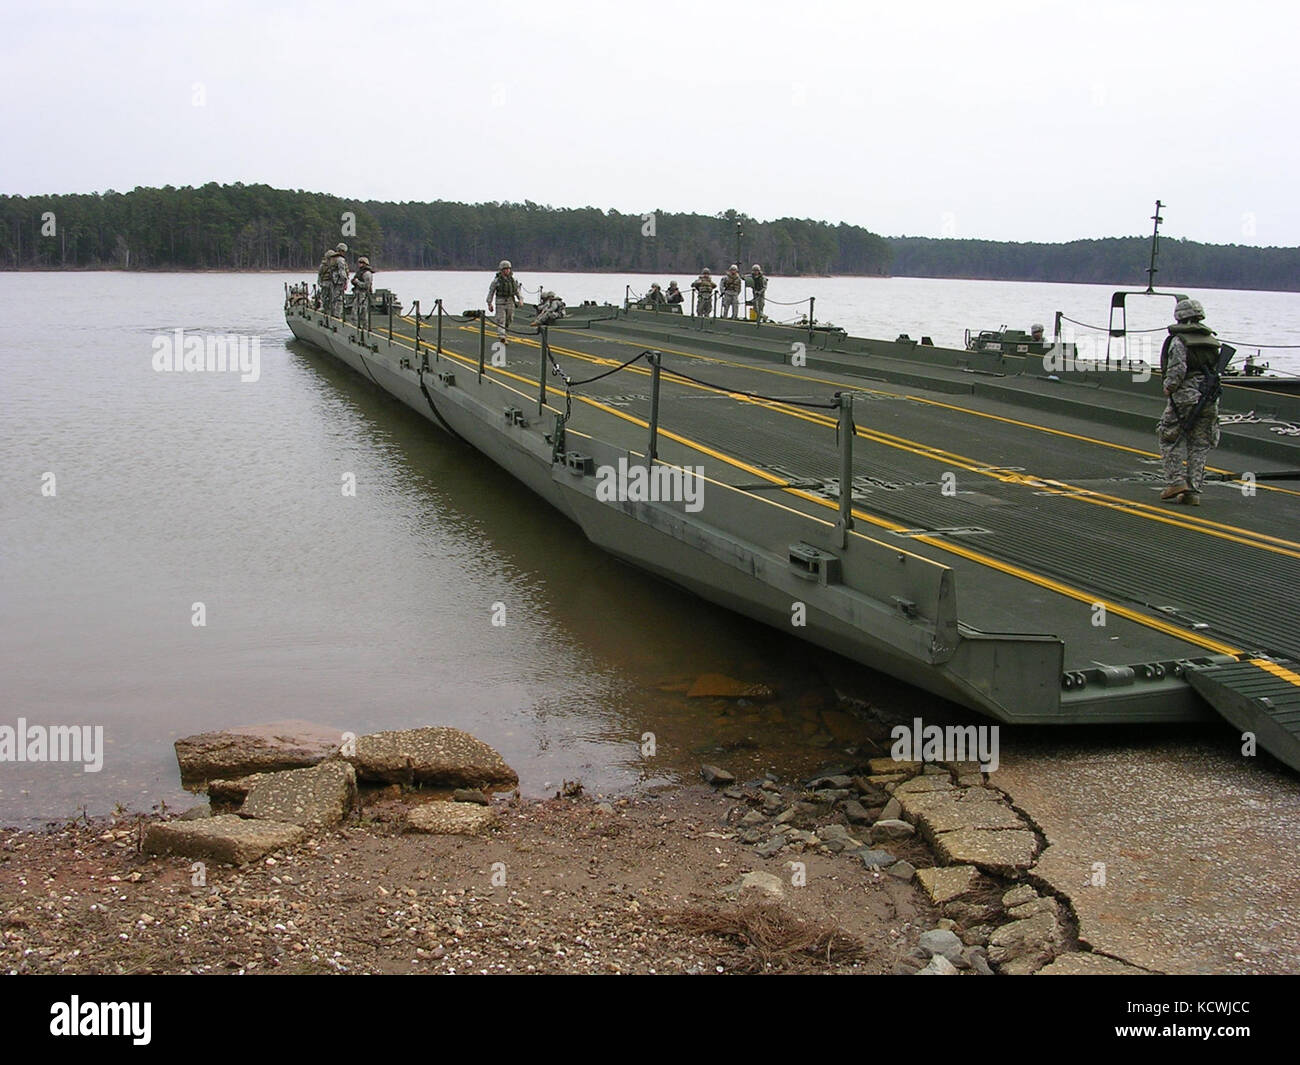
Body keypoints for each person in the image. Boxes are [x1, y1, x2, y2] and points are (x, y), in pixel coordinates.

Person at [1157, 298, 1221, 506]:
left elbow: (1177, 370)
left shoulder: (1179, 341)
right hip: (1209, 397)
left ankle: (1175, 481)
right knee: (1200, 445)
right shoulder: (1211, 342)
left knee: (1169, 437)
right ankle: (1193, 490)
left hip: (1185, 397)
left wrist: (1169, 387)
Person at [486, 259, 522, 341]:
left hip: (510, 302)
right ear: (501, 270)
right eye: (505, 269)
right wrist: (489, 303)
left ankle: (505, 332)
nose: (507, 271)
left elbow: (517, 291)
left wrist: (520, 299)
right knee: (501, 319)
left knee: (509, 319)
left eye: (508, 269)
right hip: (500, 302)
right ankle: (502, 336)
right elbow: (491, 292)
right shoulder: (496, 281)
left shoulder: (513, 280)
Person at [351, 256, 374, 330]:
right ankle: (356, 326)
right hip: (358, 293)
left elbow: (366, 285)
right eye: (359, 262)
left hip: (363, 294)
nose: (359, 264)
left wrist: (357, 282)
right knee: (356, 311)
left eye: (361, 263)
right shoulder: (360, 272)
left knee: (362, 311)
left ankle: (365, 327)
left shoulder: (367, 273)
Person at [328, 243, 349, 318]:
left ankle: (333, 313)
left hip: (333, 280)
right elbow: (342, 271)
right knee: (339, 299)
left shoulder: (333, 258)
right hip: (339, 281)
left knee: (334, 298)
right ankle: (337, 315)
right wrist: (345, 280)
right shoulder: (340, 259)